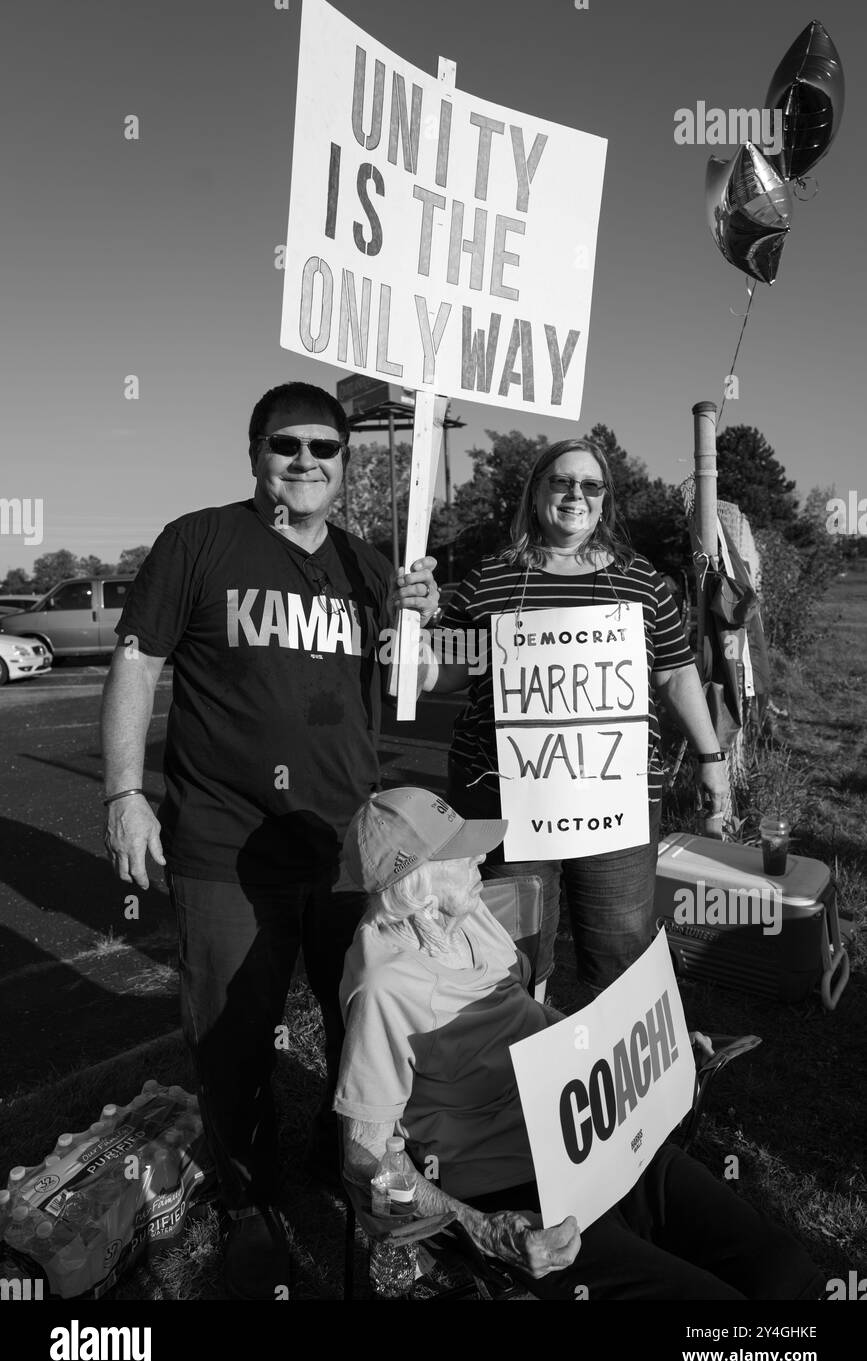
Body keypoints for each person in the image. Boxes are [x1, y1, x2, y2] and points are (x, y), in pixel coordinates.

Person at [100, 381, 439, 1299]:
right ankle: (247, 1196)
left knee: (358, 1025)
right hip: (221, 843)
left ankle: (352, 1163)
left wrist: (422, 615)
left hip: (343, 850)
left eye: (323, 448)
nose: (304, 461)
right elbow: (137, 659)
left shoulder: (372, 566)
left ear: (344, 463)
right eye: (283, 445)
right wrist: (126, 792)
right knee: (232, 1035)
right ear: (254, 454)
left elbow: (421, 677)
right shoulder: (199, 540)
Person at [335, 787, 824, 1300]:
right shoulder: (384, 987)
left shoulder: (465, 911)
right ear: (420, 887)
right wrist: (481, 1227)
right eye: (462, 850)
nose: (482, 855)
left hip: (590, 1130)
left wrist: (649, 1049)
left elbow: (528, 1018)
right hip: (513, 1189)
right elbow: (363, 1157)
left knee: (784, 1270)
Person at [431, 436, 729, 1003]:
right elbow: (443, 673)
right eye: (561, 481)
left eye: (591, 485)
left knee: (619, 953)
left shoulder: (643, 582)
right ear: (536, 491)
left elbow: (675, 673)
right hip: (505, 806)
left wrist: (711, 759)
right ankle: (517, 1071)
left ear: (605, 499)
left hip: (615, 805)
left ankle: (610, 1081)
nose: (576, 495)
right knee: (509, 955)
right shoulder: (489, 580)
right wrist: (414, 625)